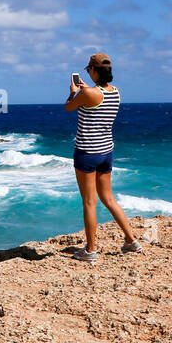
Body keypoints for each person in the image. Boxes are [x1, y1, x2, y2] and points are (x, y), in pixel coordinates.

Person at [64, 52, 141, 262]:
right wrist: (83, 91)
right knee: (108, 198)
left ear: (94, 71)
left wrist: (73, 92)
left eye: (88, 69)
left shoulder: (88, 93)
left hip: (87, 152)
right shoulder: (115, 92)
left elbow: (68, 106)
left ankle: (90, 250)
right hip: (107, 151)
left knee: (90, 202)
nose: (87, 72)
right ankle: (131, 241)